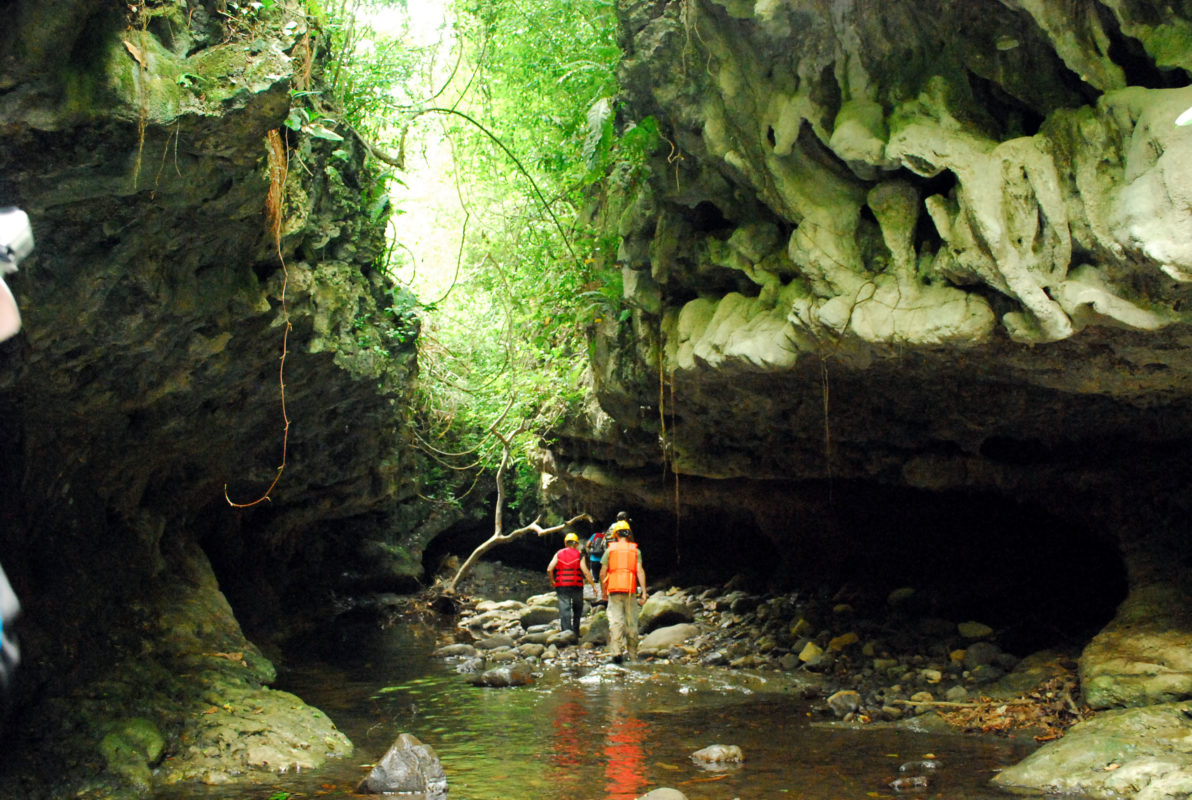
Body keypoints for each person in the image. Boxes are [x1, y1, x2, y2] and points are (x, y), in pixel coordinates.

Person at [600, 516, 647, 664]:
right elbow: (640, 571)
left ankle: (616, 652)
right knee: (631, 622)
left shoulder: (610, 550)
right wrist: (644, 592)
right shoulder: (635, 551)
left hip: (614, 590)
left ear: (615, 534)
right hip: (630, 590)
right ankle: (633, 656)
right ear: (629, 534)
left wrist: (603, 591)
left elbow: (602, 573)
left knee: (616, 621)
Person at [547, 532, 594, 639]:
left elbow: (549, 569)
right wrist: (593, 585)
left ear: (565, 543)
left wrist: (552, 580)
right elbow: (585, 572)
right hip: (576, 585)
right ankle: (576, 632)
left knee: (564, 609)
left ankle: (566, 633)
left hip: (562, 585)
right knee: (577, 609)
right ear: (576, 544)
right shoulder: (580, 555)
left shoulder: (559, 553)